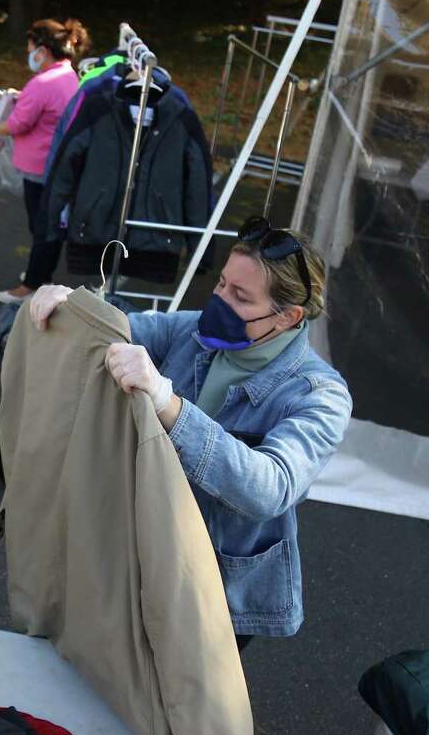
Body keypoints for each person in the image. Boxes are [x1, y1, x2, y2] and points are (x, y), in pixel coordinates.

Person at [28, 216, 352, 649]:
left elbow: (269, 489)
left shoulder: (320, 394)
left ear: (289, 315)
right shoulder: (195, 331)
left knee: (182, 704)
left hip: (215, 589)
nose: (219, 301)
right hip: (139, 552)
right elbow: (117, 328)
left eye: (240, 296)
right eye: (221, 284)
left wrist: (169, 404)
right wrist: (72, 306)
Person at [0, 18, 90, 305]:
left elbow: (18, 124)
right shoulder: (68, 76)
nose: (29, 53)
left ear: (43, 50)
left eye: (30, 47)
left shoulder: (43, 82)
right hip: (56, 164)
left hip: (40, 167)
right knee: (48, 224)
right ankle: (41, 276)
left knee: (42, 226)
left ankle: (32, 285)